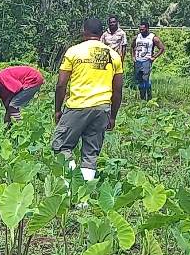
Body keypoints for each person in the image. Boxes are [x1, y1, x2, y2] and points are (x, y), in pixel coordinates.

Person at [52, 17, 127, 179]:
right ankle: (83, 200)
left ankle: (69, 189)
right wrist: (113, 116)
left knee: (62, 146)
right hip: (102, 108)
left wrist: (58, 110)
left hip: (77, 106)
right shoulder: (114, 56)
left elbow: (61, 84)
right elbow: (118, 90)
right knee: (90, 153)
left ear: (83, 32)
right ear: (101, 34)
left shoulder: (74, 51)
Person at [131, 21, 165, 101]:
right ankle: (143, 97)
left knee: (145, 79)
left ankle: (148, 97)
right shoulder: (137, 37)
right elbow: (132, 46)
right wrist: (133, 56)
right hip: (138, 61)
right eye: (140, 29)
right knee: (139, 80)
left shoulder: (153, 38)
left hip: (146, 61)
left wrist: (154, 57)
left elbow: (162, 48)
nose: (141, 31)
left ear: (147, 28)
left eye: (142, 29)